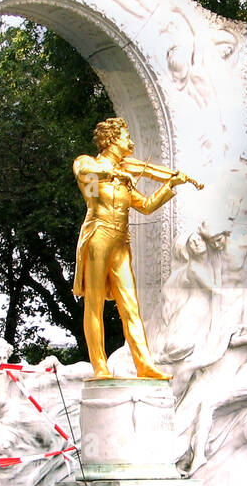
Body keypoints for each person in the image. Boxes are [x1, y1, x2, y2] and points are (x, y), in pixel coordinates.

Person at [72, 117, 205, 379]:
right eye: (125, 137)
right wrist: (113, 172)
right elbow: (85, 176)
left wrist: (170, 185)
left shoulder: (125, 180)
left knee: (131, 306)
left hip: (121, 243)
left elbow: (145, 206)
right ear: (110, 140)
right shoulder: (87, 163)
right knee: (94, 304)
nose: (130, 143)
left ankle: (145, 365)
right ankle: (100, 366)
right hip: (98, 236)